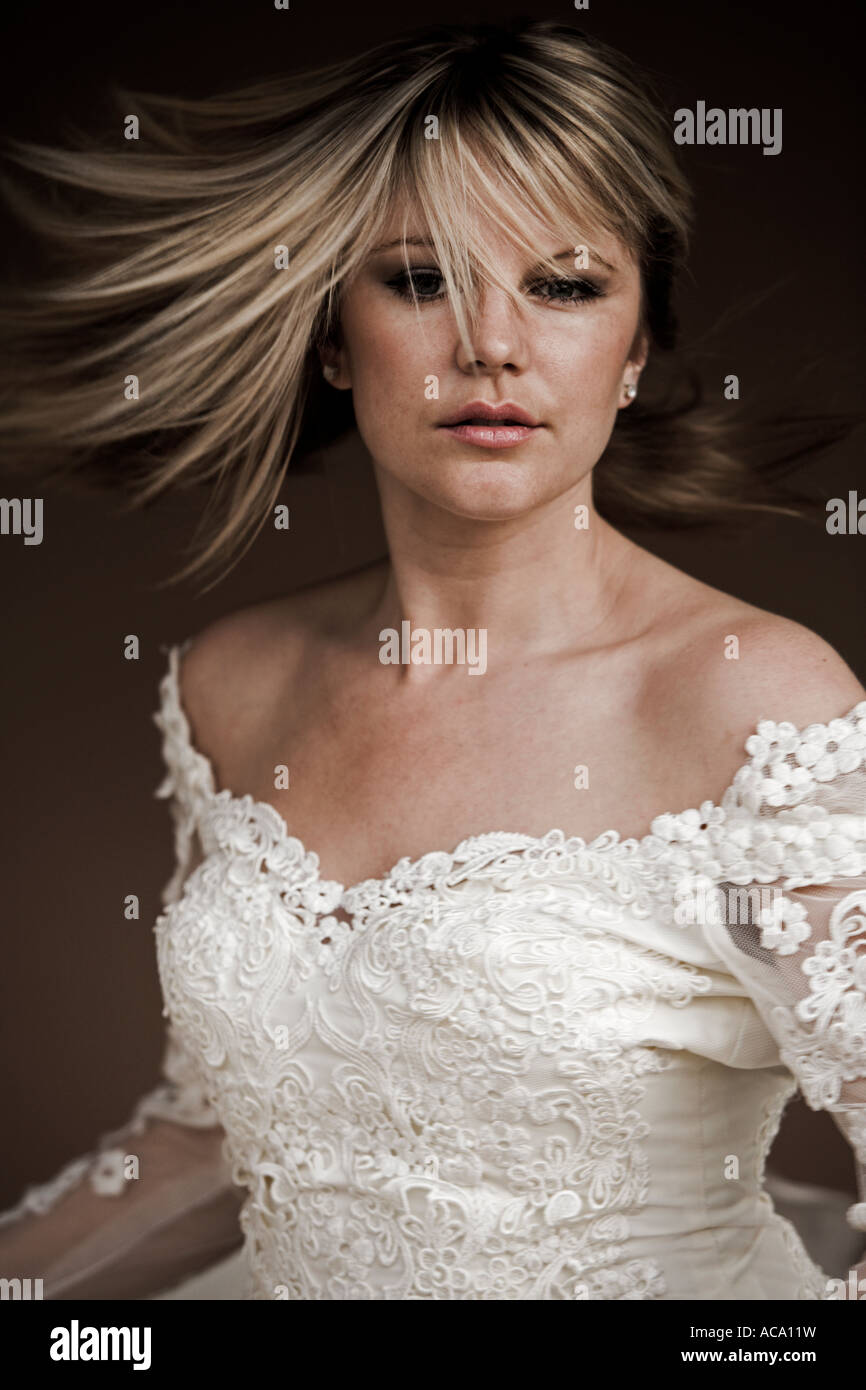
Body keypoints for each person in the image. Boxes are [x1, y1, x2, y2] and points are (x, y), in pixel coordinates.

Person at [0, 19, 864, 1301]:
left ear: (631, 354)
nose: (491, 345)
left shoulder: (752, 703)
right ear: (333, 338)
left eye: (564, 287)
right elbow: (227, 1139)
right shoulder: (234, 681)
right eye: (417, 280)